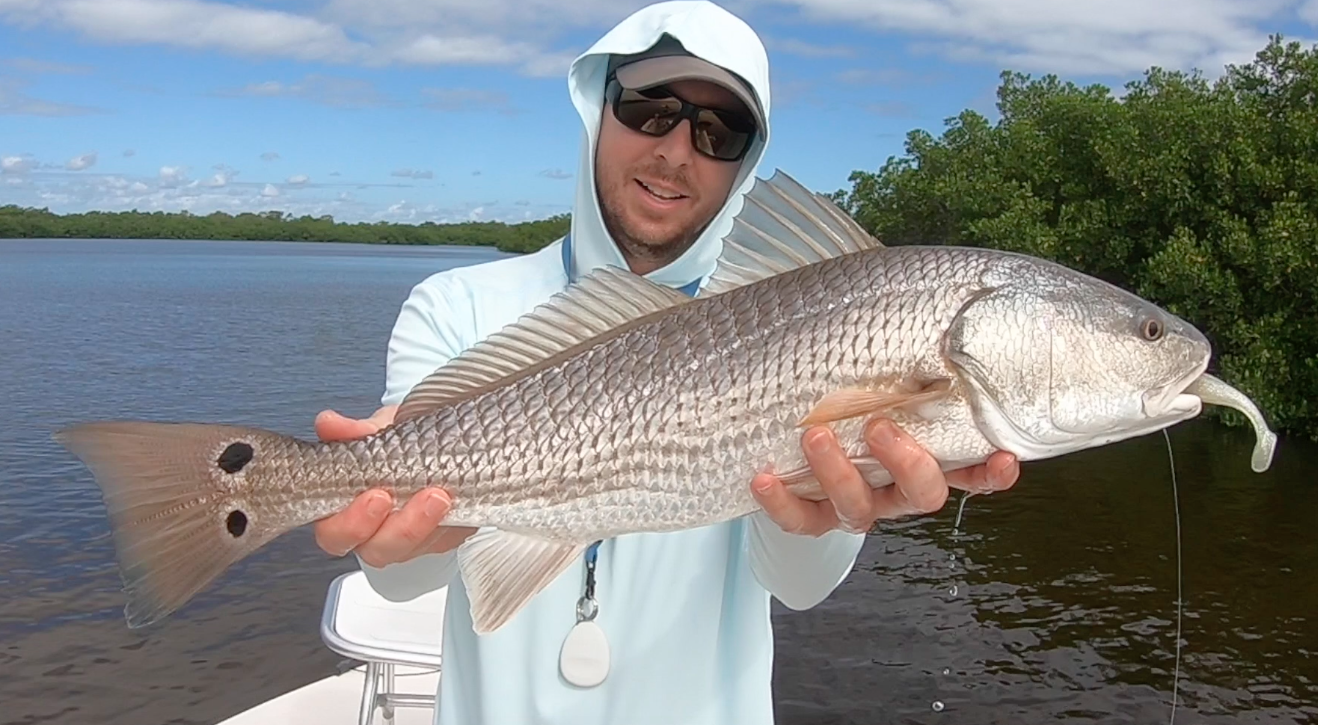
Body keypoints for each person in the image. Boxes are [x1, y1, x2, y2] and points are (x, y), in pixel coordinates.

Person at [312, 2, 1020, 723]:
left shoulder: (821, 314)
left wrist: (838, 513)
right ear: (597, 107)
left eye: (720, 131)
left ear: (746, 161)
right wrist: (388, 516)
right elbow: (399, 581)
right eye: (650, 109)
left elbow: (800, 586)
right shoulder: (454, 304)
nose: (678, 150)